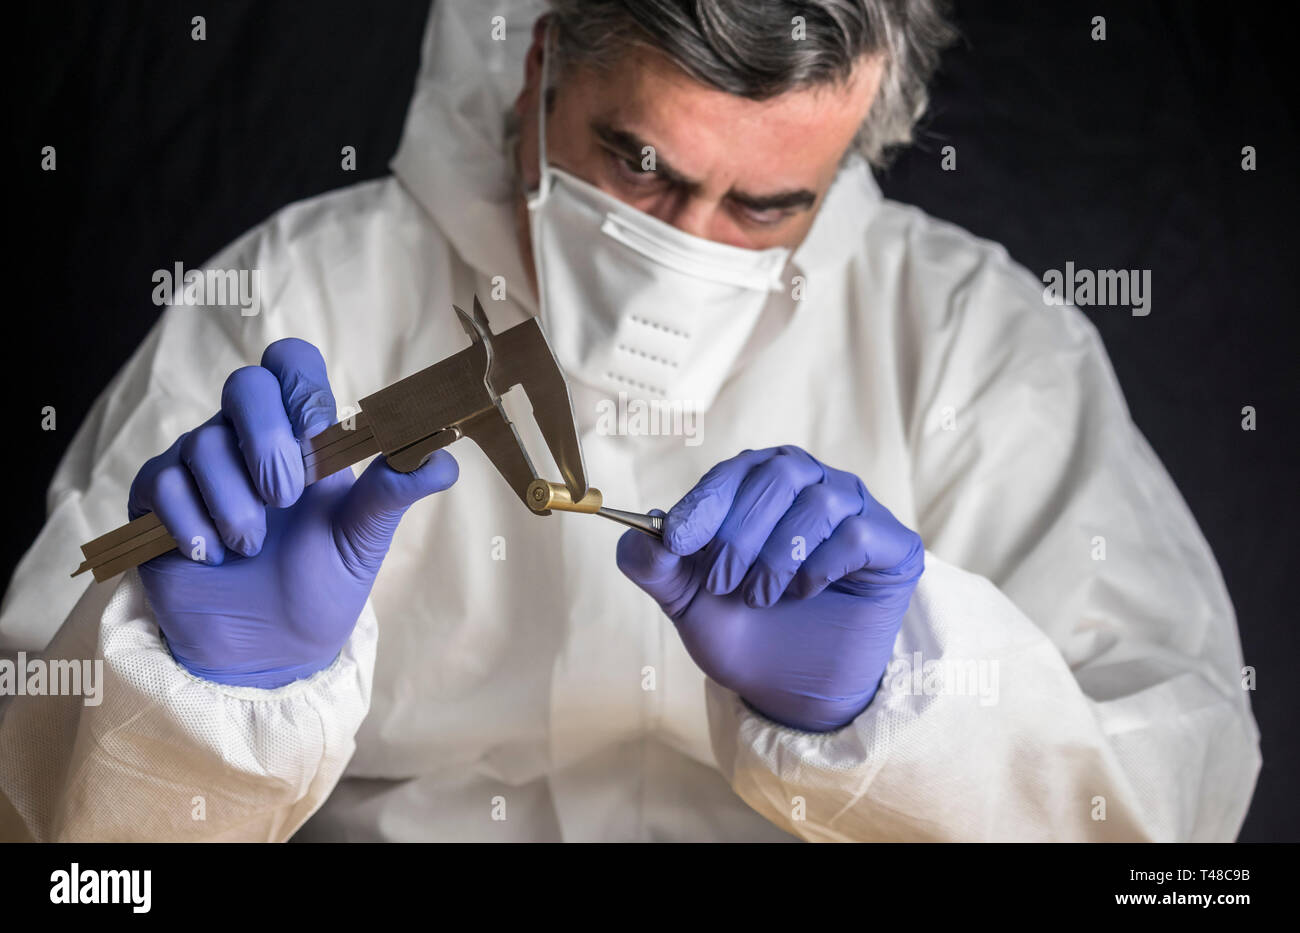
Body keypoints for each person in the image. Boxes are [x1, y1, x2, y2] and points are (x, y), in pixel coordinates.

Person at [0, 0, 1259, 842]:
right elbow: (54, 842)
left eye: (766, 205)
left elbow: (1168, 826)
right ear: (542, 61)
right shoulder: (296, 296)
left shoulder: (978, 345)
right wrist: (201, 697)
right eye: (639, 163)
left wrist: (900, 709)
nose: (683, 249)